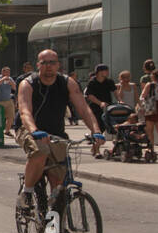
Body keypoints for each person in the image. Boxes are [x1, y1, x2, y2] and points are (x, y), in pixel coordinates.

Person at [15, 49, 103, 216]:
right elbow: (25, 111)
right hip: (28, 129)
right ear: (38, 65)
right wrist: (34, 130)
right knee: (41, 151)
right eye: (44, 63)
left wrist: (96, 131)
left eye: (52, 62)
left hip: (56, 133)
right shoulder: (28, 84)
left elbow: (83, 109)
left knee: (58, 187)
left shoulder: (67, 82)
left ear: (58, 65)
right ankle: (26, 193)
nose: (48, 66)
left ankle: (57, 230)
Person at [83, 64, 116, 135]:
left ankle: (95, 138)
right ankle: (95, 140)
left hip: (107, 107)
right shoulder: (92, 82)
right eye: (106, 71)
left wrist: (120, 100)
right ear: (100, 72)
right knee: (97, 125)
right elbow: (90, 96)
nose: (108, 72)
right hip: (95, 107)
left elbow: (115, 91)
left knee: (105, 126)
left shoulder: (109, 81)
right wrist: (100, 103)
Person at [0, 67, 17, 136]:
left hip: (8, 100)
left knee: (11, 116)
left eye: (9, 72)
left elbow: (15, 88)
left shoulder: (10, 78)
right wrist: (2, 80)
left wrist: (11, 83)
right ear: (2, 72)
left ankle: (7, 131)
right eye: (7, 72)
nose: (8, 74)